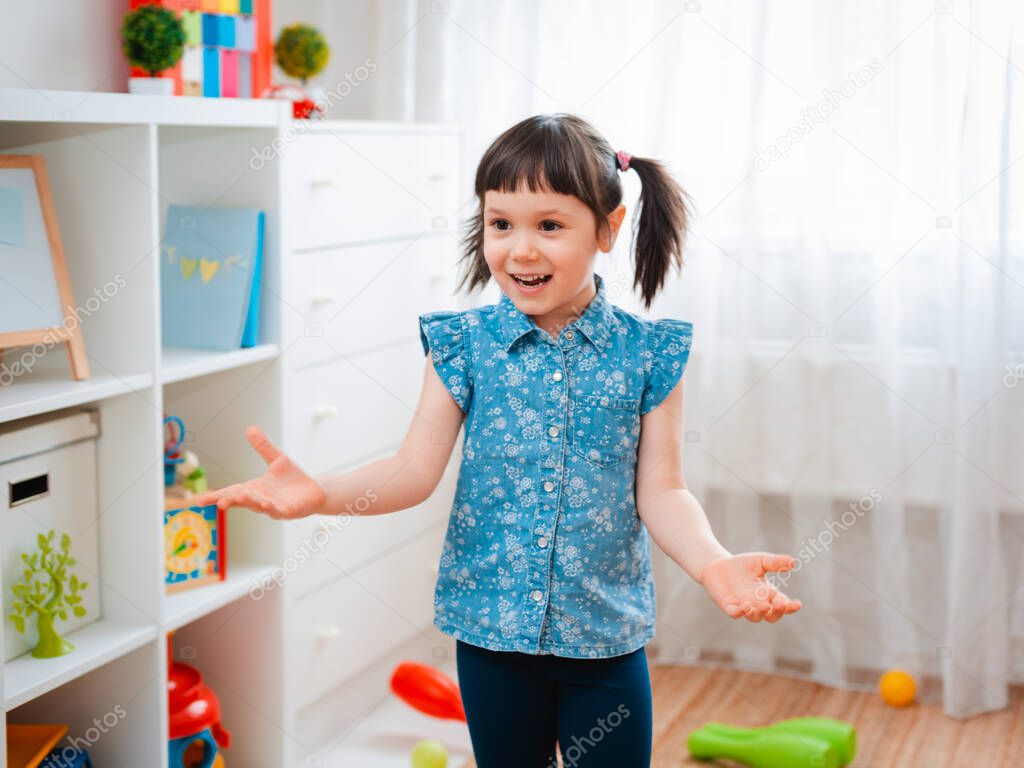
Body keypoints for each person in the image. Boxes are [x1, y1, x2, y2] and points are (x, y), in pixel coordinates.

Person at [197, 113, 801, 768]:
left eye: (550, 225)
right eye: (500, 223)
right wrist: (321, 494)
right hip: (490, 640)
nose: (520, 249)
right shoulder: (463, 346)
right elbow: (412, 470)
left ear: (607, 228)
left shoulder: (649, 354)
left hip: (604, 640)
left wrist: (713, 562)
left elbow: (663, 489)